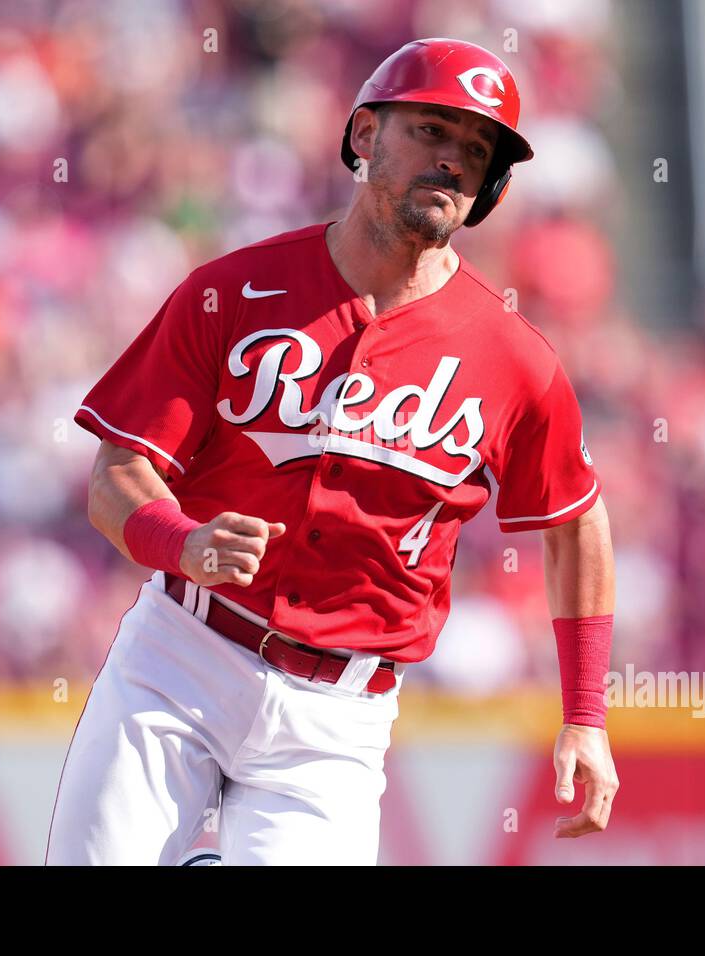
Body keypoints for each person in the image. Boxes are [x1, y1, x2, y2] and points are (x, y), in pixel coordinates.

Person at [46, 37, 618, 866]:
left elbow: (577, 524)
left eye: (475, 149)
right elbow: (115, 479)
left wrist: (586, 717)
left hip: (339, 718)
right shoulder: (233, 292)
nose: (451, 161)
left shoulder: (514, 357)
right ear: (363, 137)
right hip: (181, 659)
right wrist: (183, 542)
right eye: (430, 130)